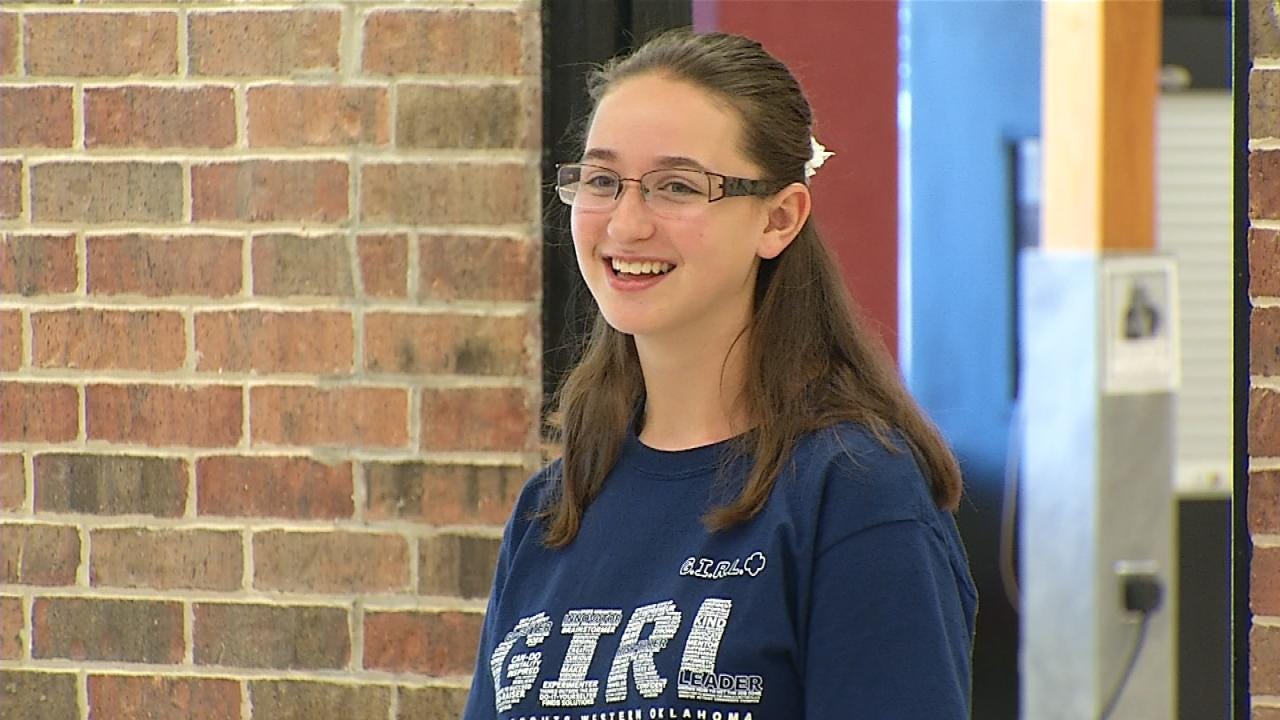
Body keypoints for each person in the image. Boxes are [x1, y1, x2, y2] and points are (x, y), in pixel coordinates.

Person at [463, 29, 977, 719]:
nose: (626, 224)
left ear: (779, 219)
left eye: (677, 186)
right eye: (602, 181)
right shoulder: (550, 509)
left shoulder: (854, 492)